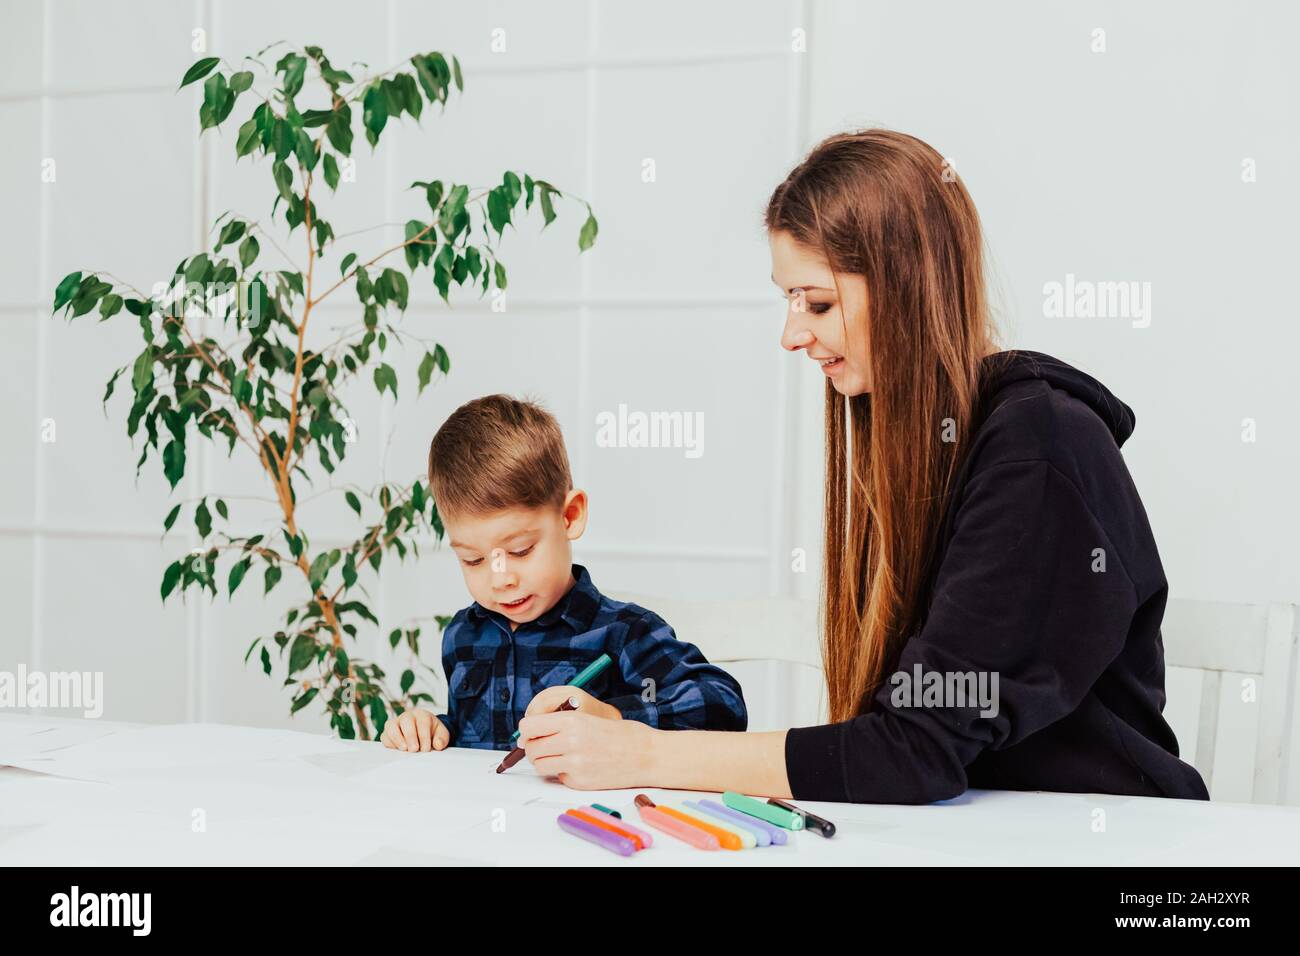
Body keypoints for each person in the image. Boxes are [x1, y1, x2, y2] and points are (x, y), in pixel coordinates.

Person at [510, 129, 1209, 804]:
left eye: (816, 302)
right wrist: (634, 735)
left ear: (906, 285)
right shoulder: (929, 447)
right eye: (788, 301)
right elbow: (904, 738)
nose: (792, 335)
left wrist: (645, 755)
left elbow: (910, 750)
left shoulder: (1037, 450)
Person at [379, 394, 747, 753]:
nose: (500, 579)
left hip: (580, 814)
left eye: (520, 550)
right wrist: (436, 729)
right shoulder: (463, 635)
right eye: (473, 560)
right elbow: (474, 740)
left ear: (570, 516)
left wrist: (613, 716)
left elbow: (723, 705)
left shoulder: (623, 634)